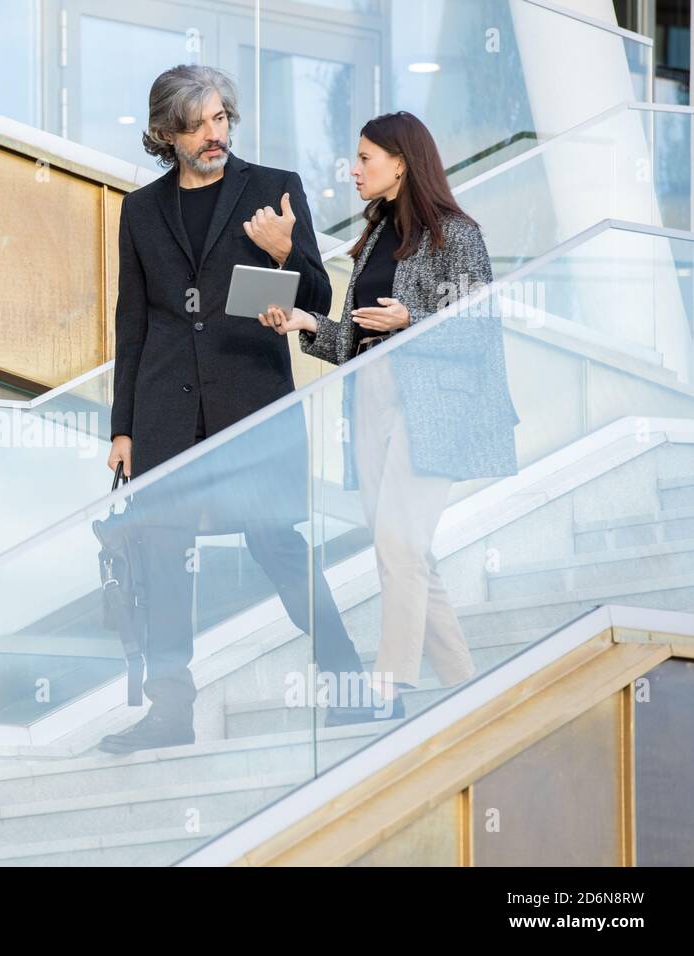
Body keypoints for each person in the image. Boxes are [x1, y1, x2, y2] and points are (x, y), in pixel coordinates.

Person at [99, 64, 368, 755]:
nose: (213, 135)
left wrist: (286, 252)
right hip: (164, 414)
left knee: (277, 543)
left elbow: (316, 300)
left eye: (221, 118)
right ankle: (168, 715)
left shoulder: (275, 188)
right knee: (161, 555)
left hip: (252, 403)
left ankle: (349, 685)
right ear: (165, 133)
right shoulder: (139, 210)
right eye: (196, 124)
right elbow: (133, 322)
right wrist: (122, 426)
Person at [262, 111, 520, 719]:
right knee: (408, 554)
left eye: (366, 159)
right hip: (373, 393)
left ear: (401, 163)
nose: (354, 170)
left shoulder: (456, 233)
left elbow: (481, 330)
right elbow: (353, 336)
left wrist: (413, 322)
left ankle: (389, 684)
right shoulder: (376, 235)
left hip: (434, 401)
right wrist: (306, 324)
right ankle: (468, 692)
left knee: (398, 543)